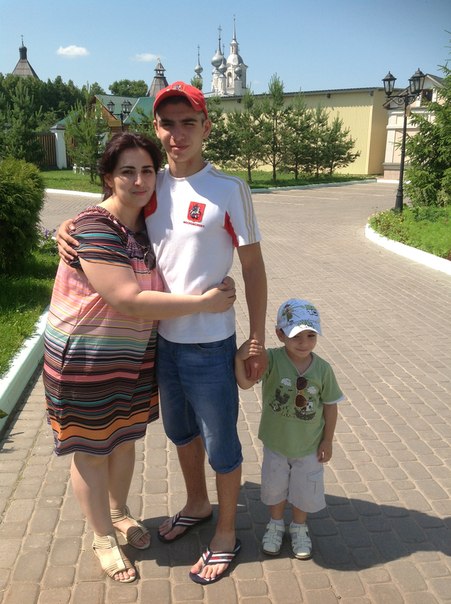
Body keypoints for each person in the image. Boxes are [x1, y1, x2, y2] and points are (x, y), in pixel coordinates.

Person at [56, 82, 267, 584]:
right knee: (180, 433)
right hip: (159, 343)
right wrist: (67, 227)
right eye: (167, 124)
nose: (178, 134)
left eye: (188, 122)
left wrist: (255, 338)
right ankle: (197, 503)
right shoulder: (151, 184)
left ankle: (226, 533)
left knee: (222, 444)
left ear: (206, 126)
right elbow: (110, 214)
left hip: (211, 343)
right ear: (156, 128)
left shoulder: (229, 189)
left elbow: (253, 268)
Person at [235, 298, 344, 560]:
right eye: (296, 336)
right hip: (276, 443)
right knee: (274, 487)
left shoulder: (323, 369)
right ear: (280, 334)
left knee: (304, 490)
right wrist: (240, 357)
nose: (304, 342)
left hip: (309, 446)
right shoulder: (271, 359)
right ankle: (275, 524)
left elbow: (330, 406)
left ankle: (298, 527)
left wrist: (327, 440)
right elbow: (245, 384)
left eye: (311, 335)